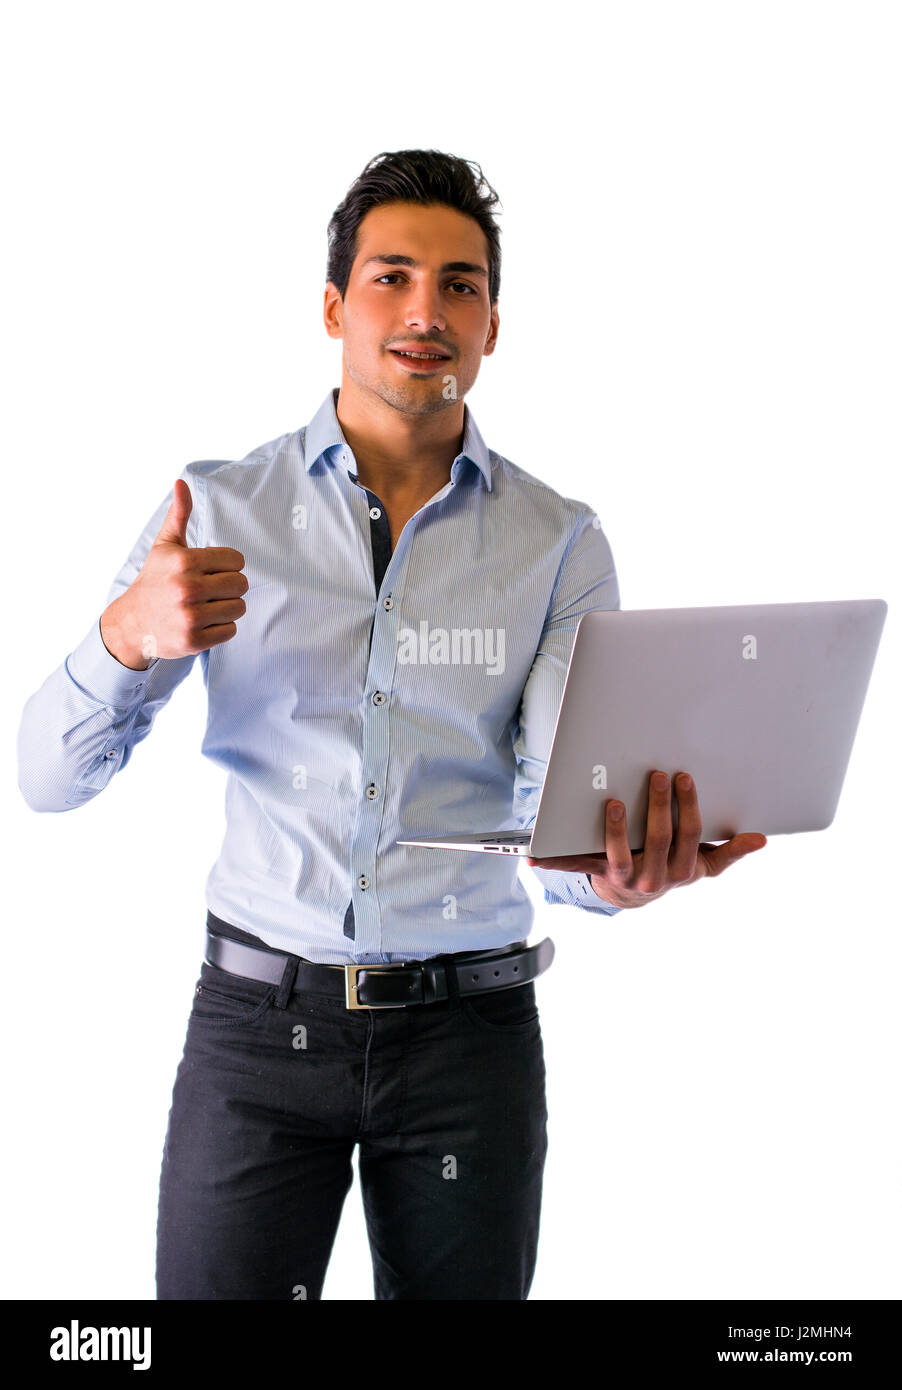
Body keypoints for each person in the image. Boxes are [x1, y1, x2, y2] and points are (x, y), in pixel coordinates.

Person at [17, 148, 766, 1300]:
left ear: (493, 325)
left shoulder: (558, 543)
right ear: (332, 306)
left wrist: (608, 875)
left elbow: (551, 814)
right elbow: (45, 780)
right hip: (257, 1030)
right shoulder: (213, 512)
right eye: (392, 276)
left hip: (466, 1040)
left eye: (459, 284)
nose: (427, 310)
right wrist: (124, 637)